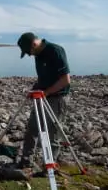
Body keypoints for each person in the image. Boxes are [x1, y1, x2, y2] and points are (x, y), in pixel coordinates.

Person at [16, 32, 71, 168]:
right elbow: (43, 78)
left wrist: (45, 92)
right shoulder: (38, 55)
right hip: (42, 96)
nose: (29, 55)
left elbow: (65, 80)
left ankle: (49, 167)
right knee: (32, 129)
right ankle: (26, 162)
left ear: (34, 45)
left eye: (28, 52)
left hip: (57, 98)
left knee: (53, 134)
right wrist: (35, 89)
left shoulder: (55, 51)